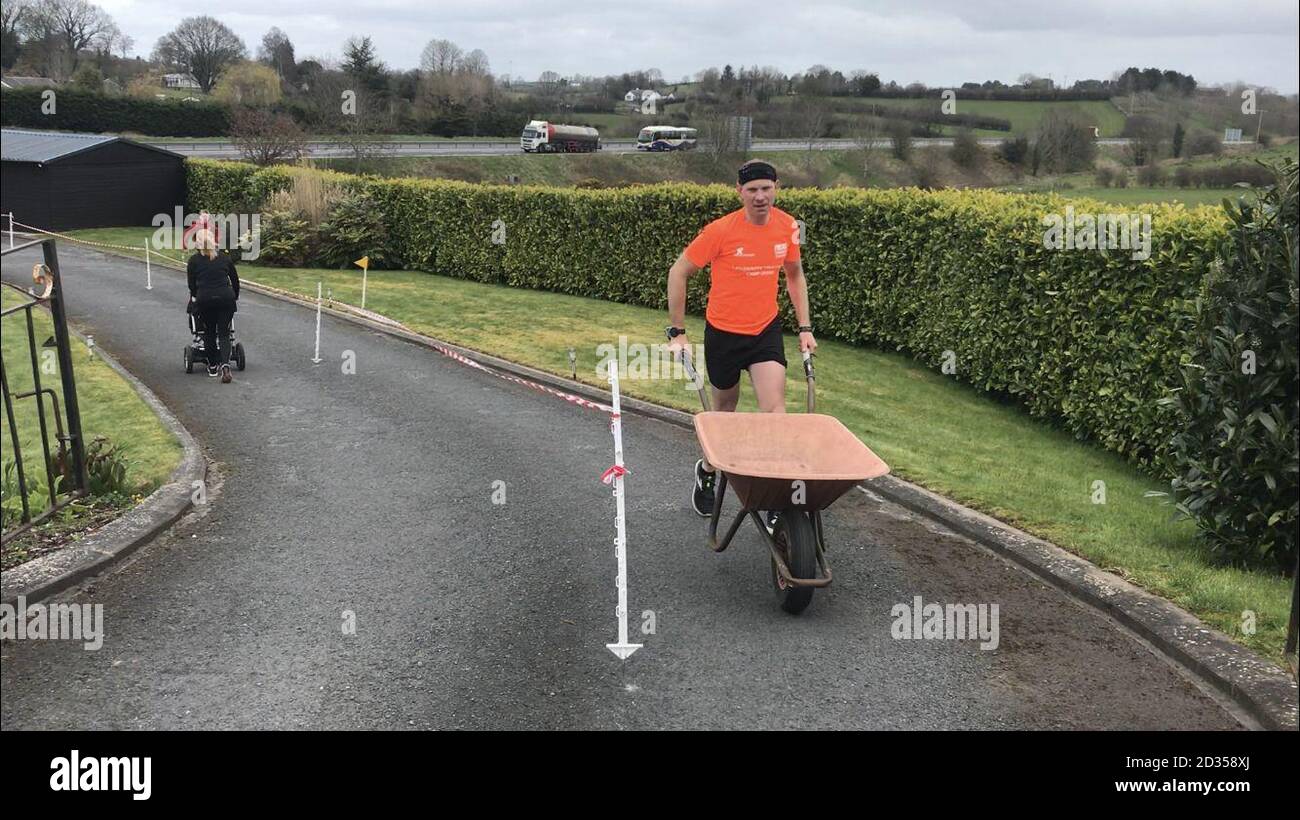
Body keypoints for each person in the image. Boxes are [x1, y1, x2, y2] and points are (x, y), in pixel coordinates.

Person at [665, 159, 817, 518]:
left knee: (775, 412)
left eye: (766, 188)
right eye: (752, 190)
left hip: (765, 331)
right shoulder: (720, 231)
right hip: (723, 335)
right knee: (725, 415)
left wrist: (805, 327)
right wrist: (678, 332)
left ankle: (780, 496)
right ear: (740, 192)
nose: (760, 196)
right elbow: (678, 272)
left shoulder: (788, 228)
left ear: (776, 188)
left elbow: (795, 276)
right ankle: (707, 471)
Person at [186, 228, 240, 384]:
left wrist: (196, 298)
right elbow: (235, 281)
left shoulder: (194, 261)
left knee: (209, 332)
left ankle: (212, 365)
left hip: (205, 299)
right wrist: (234, 296)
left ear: (197, 244)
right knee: (224, 333)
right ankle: (225, 365)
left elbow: (192, 285)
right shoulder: (224, 259)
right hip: (226, 298)